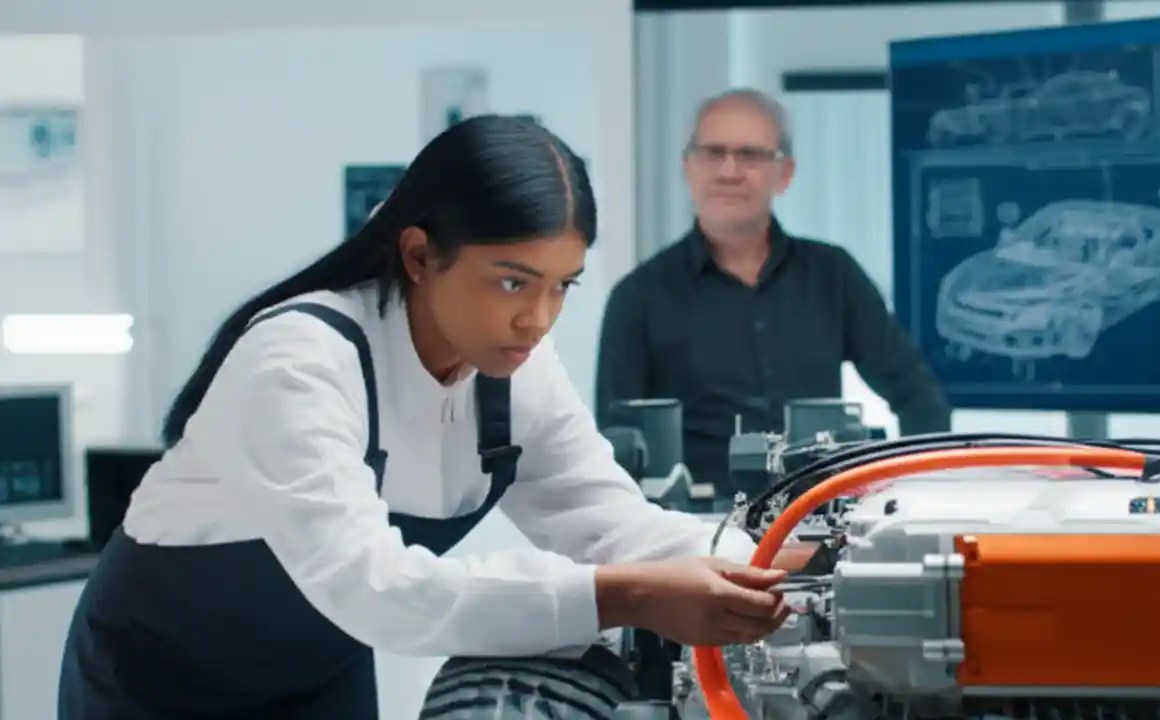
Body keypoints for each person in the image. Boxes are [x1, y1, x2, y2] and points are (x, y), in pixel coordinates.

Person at [58, 115, 807, 720]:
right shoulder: (299, 360)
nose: (538, 319)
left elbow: (602, 518)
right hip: (161, 682)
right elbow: (375, 587)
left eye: (562, 287)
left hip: (320, 671)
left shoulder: (513, 365)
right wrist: (625, 594)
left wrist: (766, 554)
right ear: (419, 256)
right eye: (512, 281)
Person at [596, 88, 951, 496]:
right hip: (692, 535)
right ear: (687, 167)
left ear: (785, 173)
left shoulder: (833, 274)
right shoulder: (638, 297)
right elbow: (614, 445)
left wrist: (907, 492)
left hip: (816, 519)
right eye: (713, 152)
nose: (729, 171)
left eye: (750, 155)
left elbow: (919, 396)